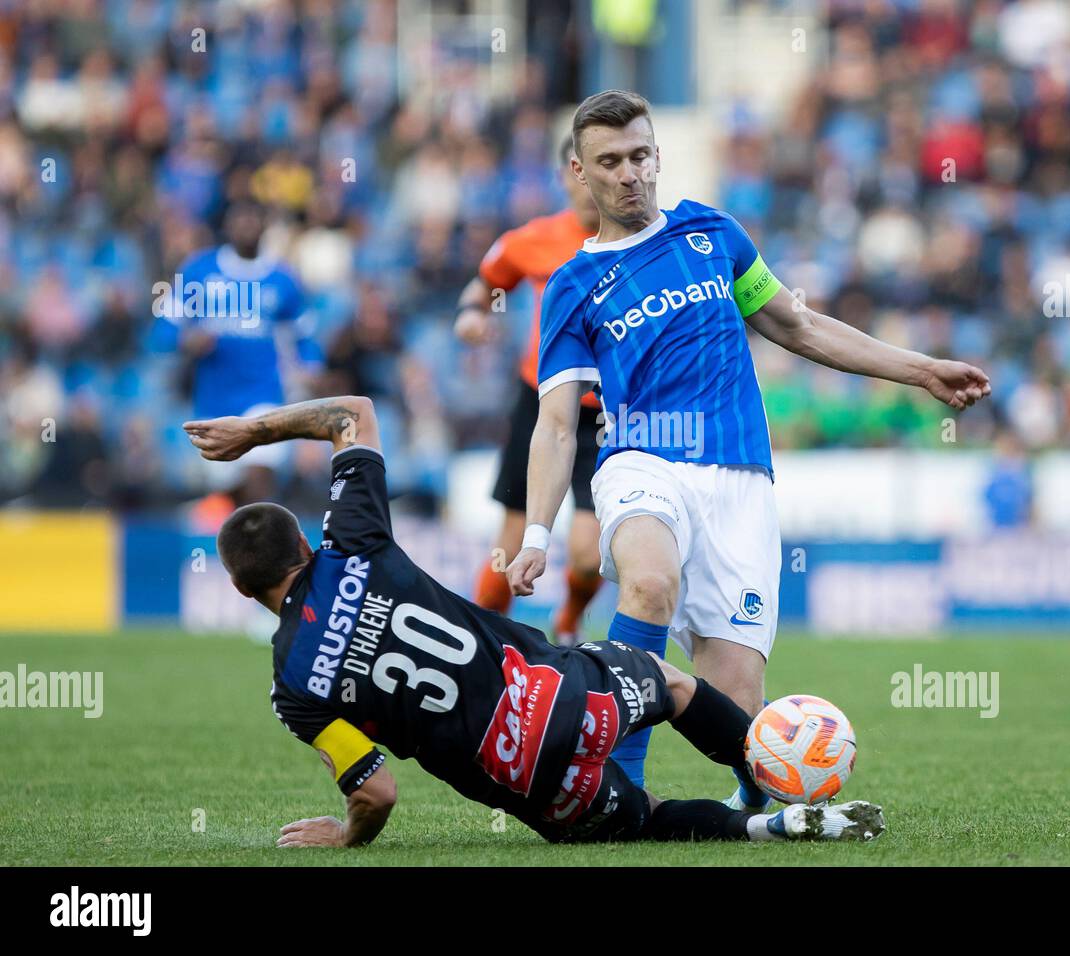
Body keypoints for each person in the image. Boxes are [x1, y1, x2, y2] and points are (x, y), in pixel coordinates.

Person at [507, 90, 991, 806]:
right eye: (610, 162)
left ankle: (759, 801)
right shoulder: (572, 286)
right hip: (642, 461)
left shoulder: (713, 233)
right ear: (581, 172)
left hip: (740, 479)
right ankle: (620, 790)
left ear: (658, 156)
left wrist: (921, 370)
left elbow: (797, 326)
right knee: (647, 583)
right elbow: (555, 424)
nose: (630, 173)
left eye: (641, 155)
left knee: (738, 707)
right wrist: (536, 533)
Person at [183, 395, 886, 845]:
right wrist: (257, 428)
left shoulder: (292, 685)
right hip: (560, 696)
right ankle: (767, 776)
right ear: (306, 544)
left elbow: (376, 791)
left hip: (523, 777)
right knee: (671, 687)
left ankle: (766, 829)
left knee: (641, 821)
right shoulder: (353, 545)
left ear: (246, 592)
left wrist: (345, 836)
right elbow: (353, 414)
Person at [454, 135, 604, 646]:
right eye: (578, 170)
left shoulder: (640, 243)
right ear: (566, 175)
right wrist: (473, 313)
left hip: (606, 415)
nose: (588, 183)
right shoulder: (532, 240)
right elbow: (489, 282)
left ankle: (567, 624)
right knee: (511, 543)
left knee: (590, 552)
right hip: (541, 406)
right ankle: (480, 642)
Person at [150, 199, 321, 506]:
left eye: (254, 219)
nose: (247, 225)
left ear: (265, 226)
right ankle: (231, 538)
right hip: (214, 401)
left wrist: (311, 367)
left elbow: (304, 336)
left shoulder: (282, 279)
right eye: (240, 218)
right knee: (232, 496)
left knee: (259, 478)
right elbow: (162, 331)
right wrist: (187, 341)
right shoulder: (198, 272)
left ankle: (271, 551)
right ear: (227, 225)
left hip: (264, 396)